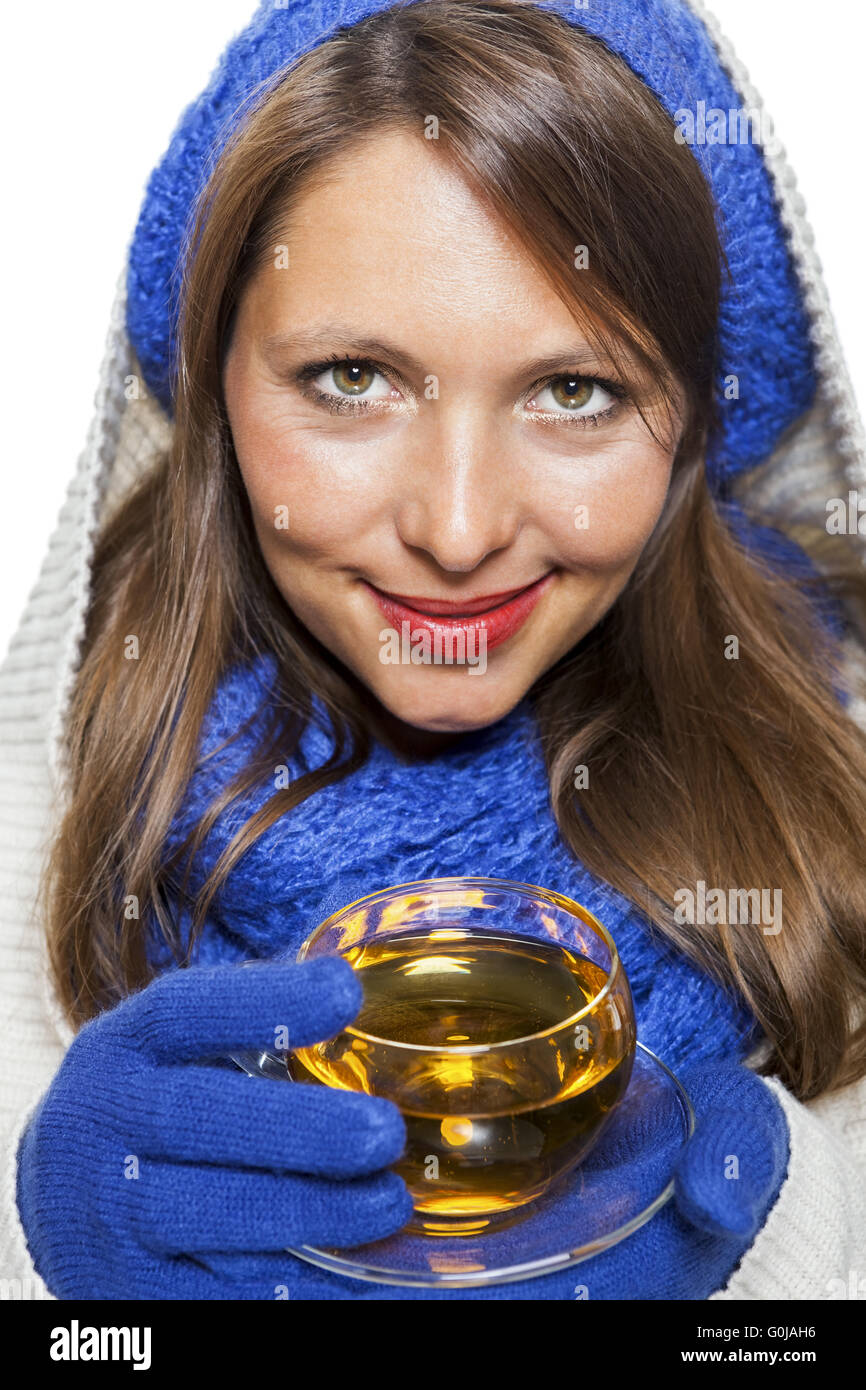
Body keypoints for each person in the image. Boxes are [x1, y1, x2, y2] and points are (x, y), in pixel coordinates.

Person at [2, 0, 865, 1301]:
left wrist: (786, 1271)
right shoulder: (35, 813)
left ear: (693, 425)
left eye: (575, 390)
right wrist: (57, 1288)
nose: (456, 532)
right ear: (211, 384)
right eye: (351, 376)